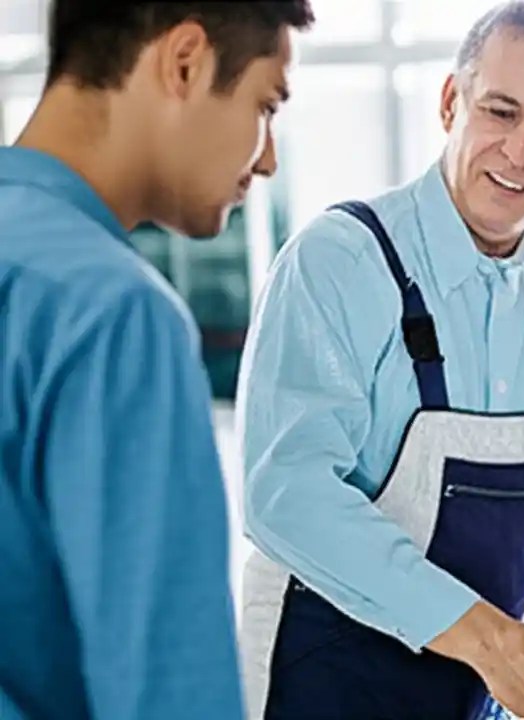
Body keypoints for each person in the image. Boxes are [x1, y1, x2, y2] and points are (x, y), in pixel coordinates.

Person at [235, 2, 524, 719]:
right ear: (452, 102)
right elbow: (287, 497)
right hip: (314, 681)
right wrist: (497, 644)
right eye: (501, 111)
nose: (521, 152)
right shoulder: (343, 261)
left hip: (466, 690)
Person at [0, 2, 314, 718]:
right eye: (266, 104)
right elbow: (168, 696)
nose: (266, 158)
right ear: (185, 63)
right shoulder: (109, 312)